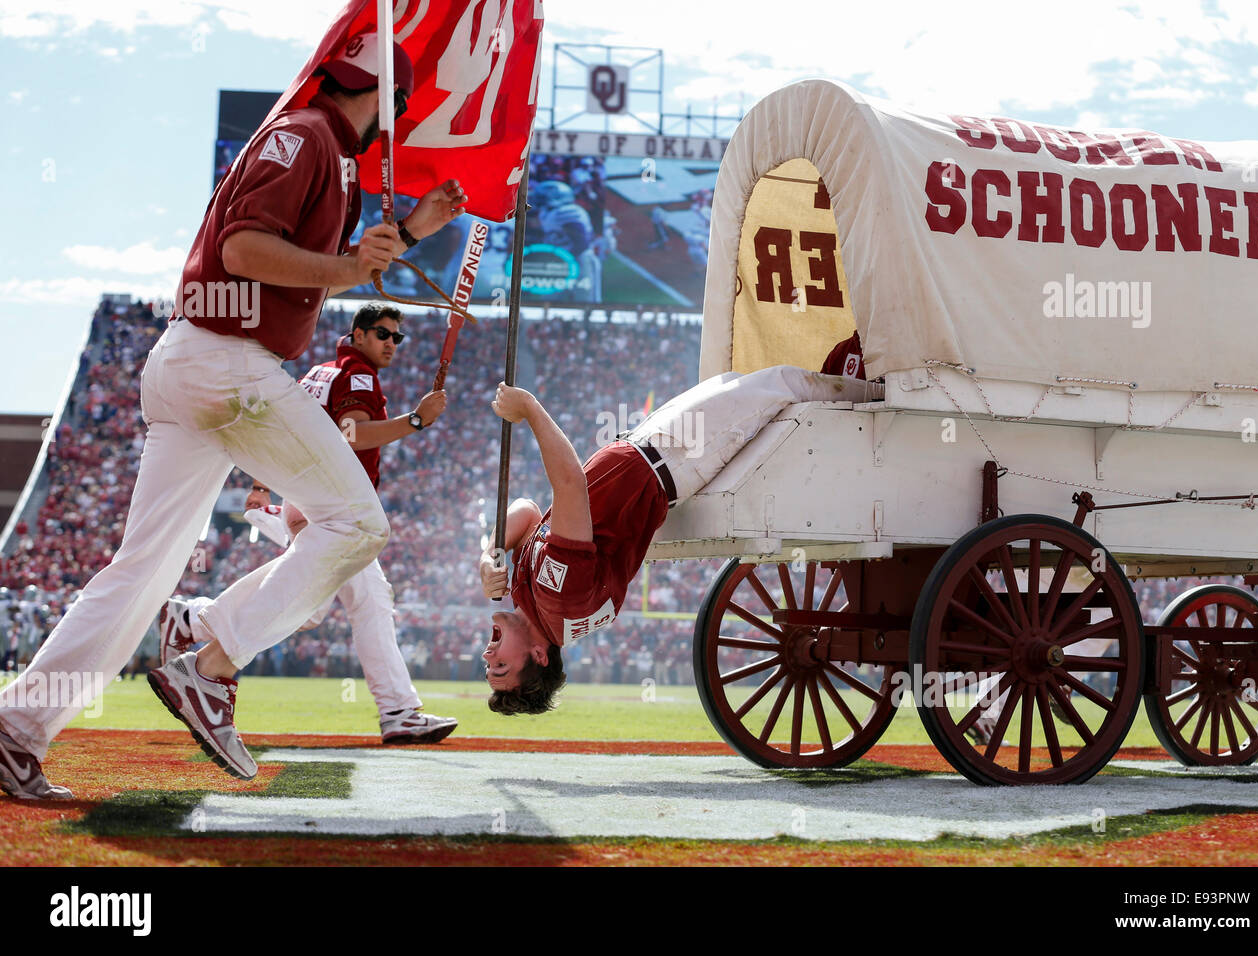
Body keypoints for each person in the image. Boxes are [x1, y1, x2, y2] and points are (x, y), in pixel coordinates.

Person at [0, 32, 467, 800]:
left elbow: (302, 264)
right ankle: (211, 660)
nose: (398, 122)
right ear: (383, 95)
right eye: (401, 106)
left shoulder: (319, 143)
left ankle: (19, 729)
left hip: (200, 363)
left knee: (138, 573)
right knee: (357, 525)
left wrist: (407, 236)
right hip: (227, 365)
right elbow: (248, 250)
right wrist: (352, 267)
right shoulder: (307, 136)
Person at [478, 365, 868, 715]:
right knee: (786, 383)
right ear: (539, 656)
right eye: (501, 666)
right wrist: (528, 406)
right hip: (671, 454)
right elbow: (569, 483)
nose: (488, 654)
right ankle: (888, 392)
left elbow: (528, 511)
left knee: (735, 380)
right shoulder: (559, 598)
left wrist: (490, 551)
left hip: (657, 448)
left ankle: (860, 374)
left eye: (489, 666)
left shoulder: (538, 605)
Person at [160, 303, 460, 744]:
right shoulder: (357, 374)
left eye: (398, 337)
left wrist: (264, 485)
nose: (391, 343)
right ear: (358, 334)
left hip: (305, 497)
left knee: (321, 608)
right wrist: (415, 421)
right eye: (383, 334)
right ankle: (398, 712)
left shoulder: (318, 372)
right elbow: (352, 433)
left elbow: (280, 429)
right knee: (359, 605)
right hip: (333, 505)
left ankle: (194, 619)